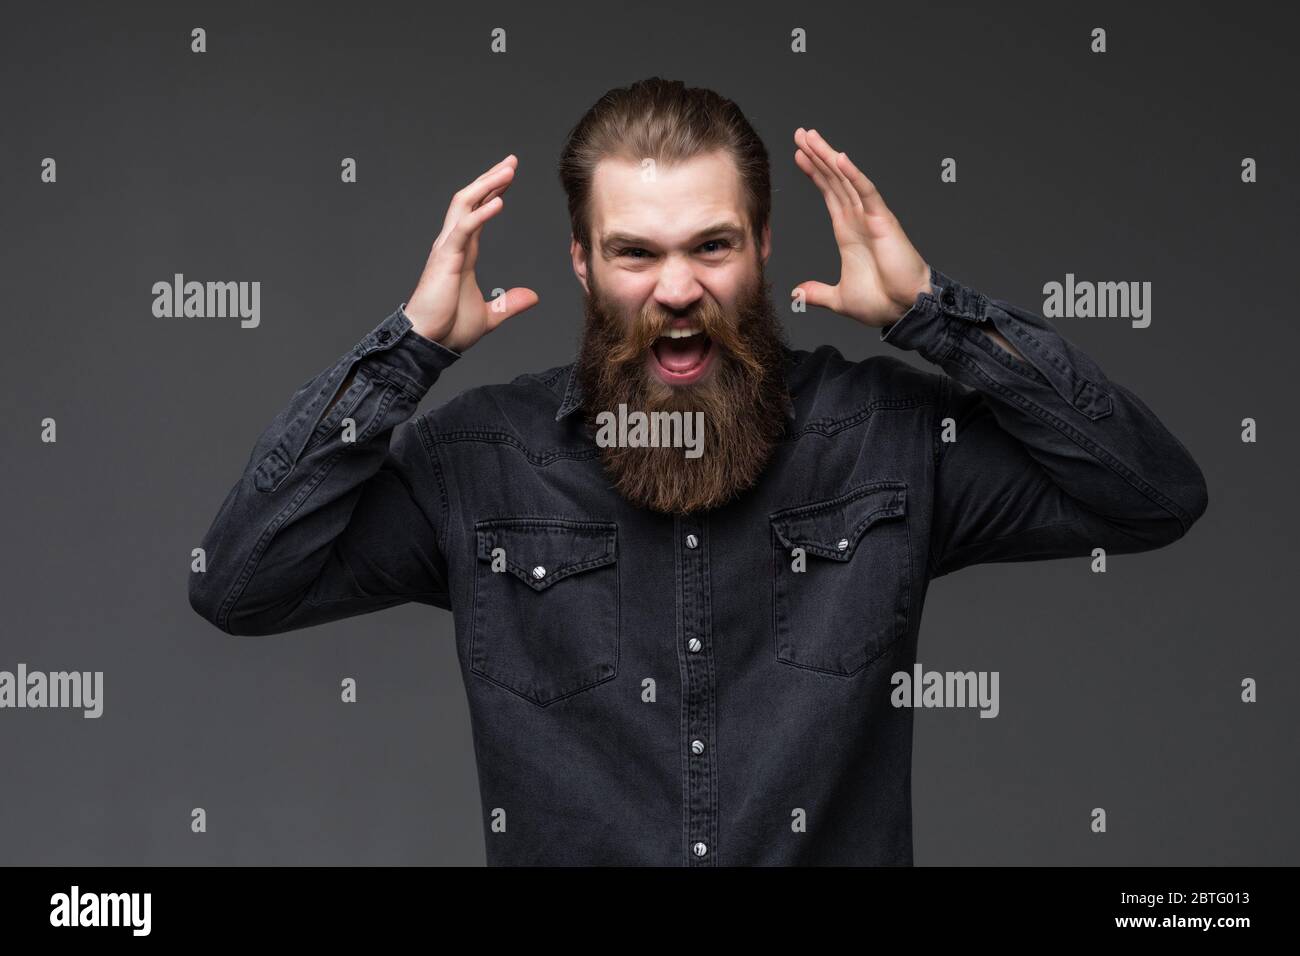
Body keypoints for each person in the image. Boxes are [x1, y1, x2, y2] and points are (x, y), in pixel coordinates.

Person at [188, 76, 1208, 866]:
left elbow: (1153, 493)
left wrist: (933, 316)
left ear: (762, 245)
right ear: (583, 264)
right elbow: (237, 581)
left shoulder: (888, 435)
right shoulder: (478, 461)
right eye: (634, 253)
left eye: (711, 245)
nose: (677, 289)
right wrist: (409, 348)